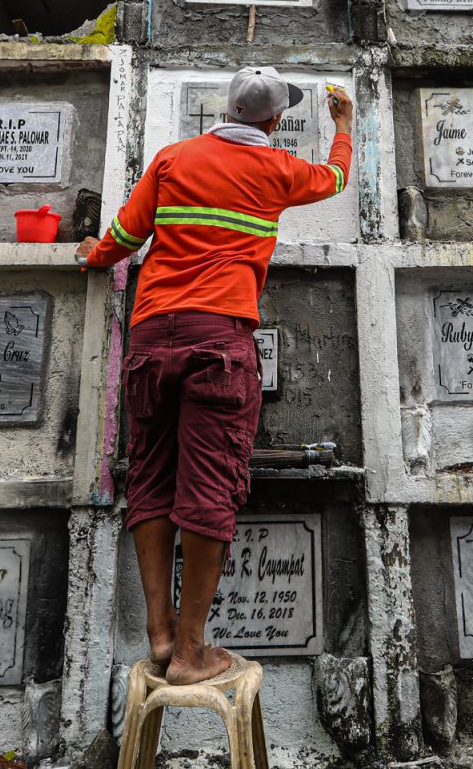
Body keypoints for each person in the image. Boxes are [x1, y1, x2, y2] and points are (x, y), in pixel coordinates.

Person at [76, 67, 354, 685]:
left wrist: (92, 255)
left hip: (150, 337)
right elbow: (335, 178)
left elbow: (125, 232)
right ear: (275, 122)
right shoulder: (278, 170)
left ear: (226, 111)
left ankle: (159, 632)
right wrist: (343, 126)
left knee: (149, 472)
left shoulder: (173, 158)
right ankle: (192, 652)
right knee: (210, 484)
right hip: (219, 343)